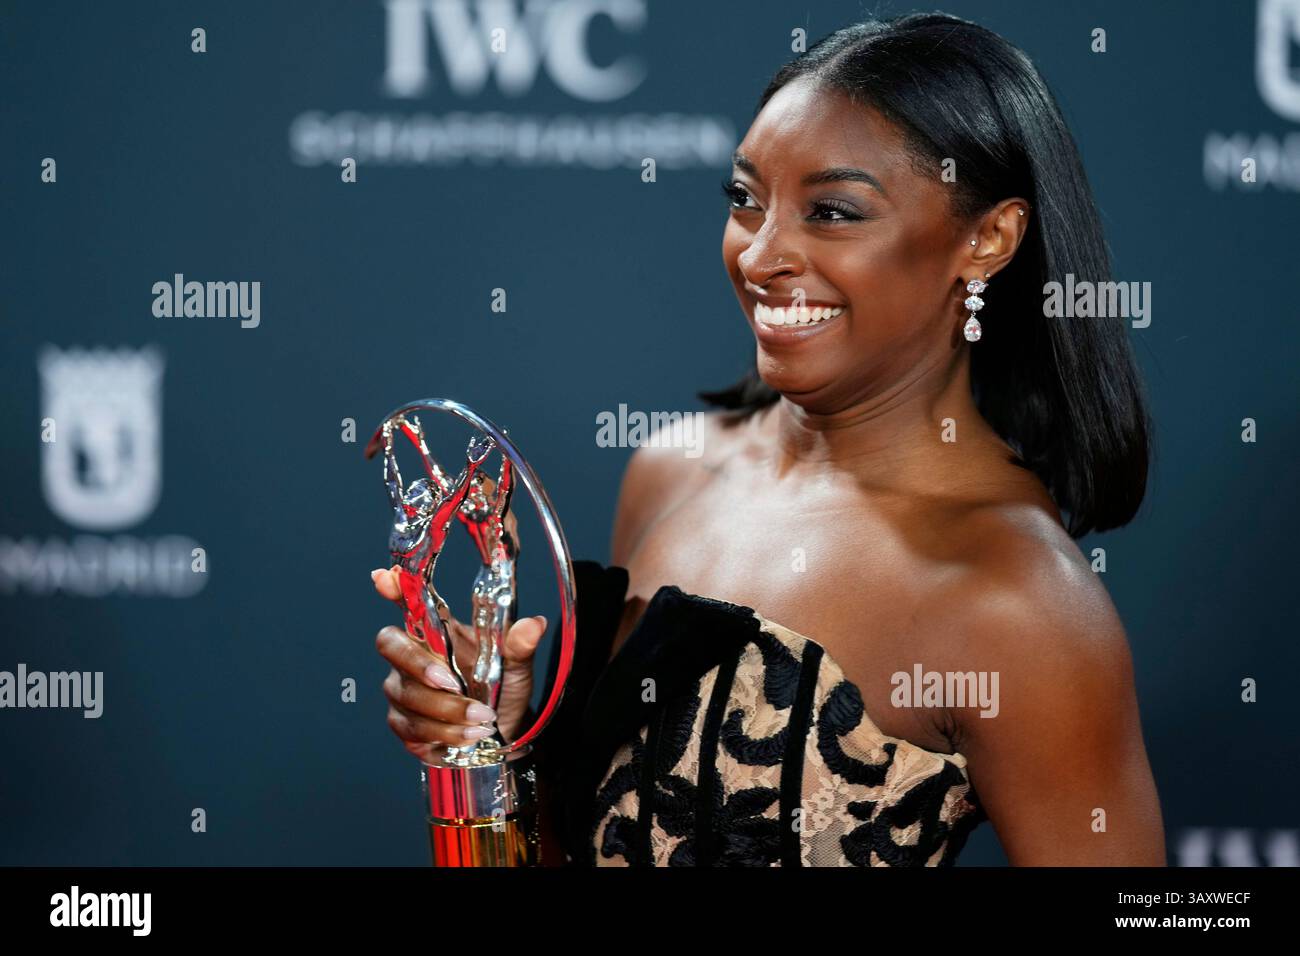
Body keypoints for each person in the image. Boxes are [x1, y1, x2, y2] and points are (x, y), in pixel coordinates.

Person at [372, 11, 1166, 866]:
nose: (759, 256)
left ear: (988, 239)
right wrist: (500, 747)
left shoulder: (1020, 600)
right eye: (746, 200)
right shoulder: (671, 470)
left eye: (831, 211)